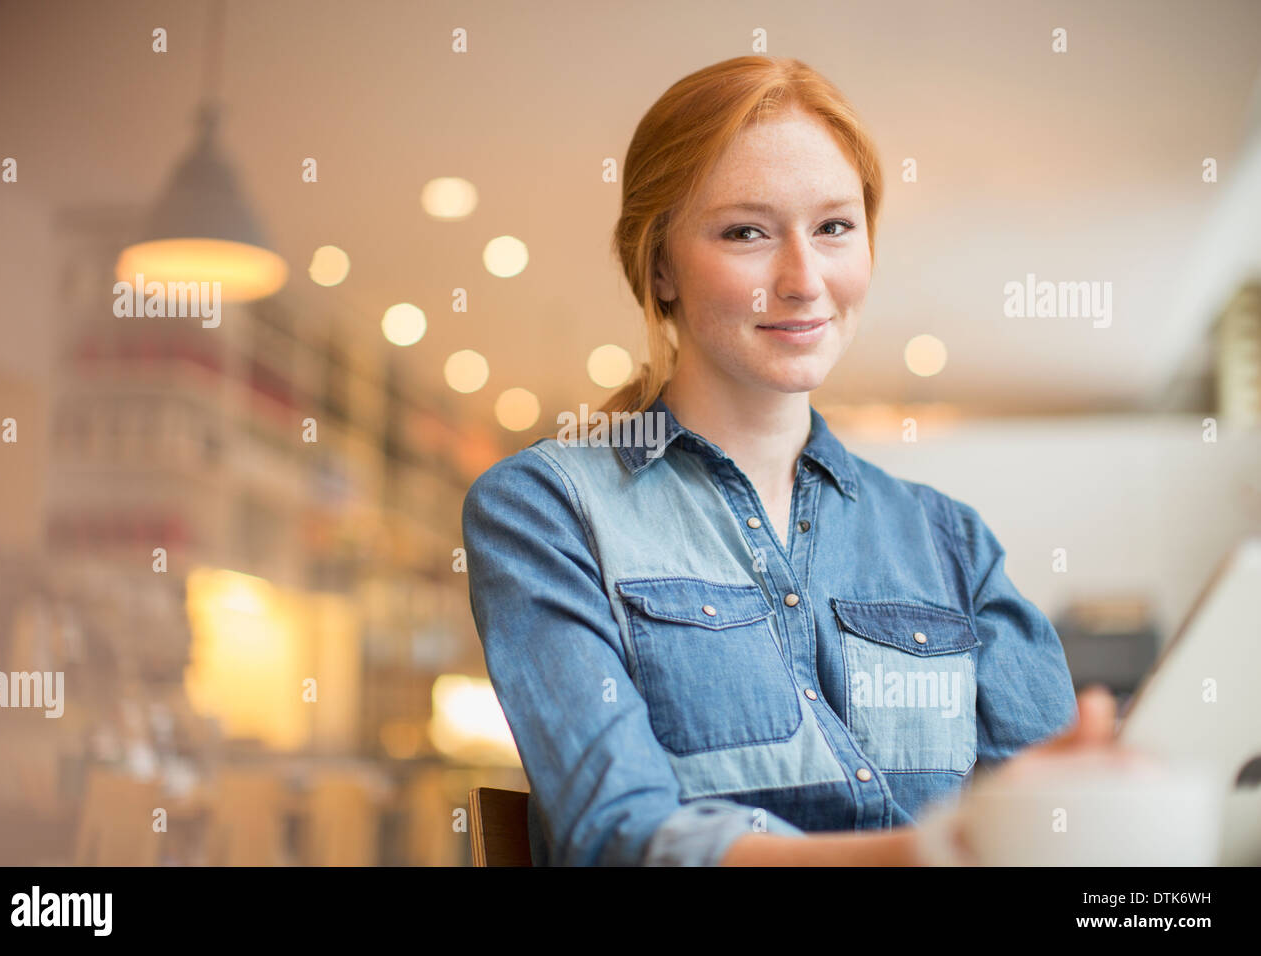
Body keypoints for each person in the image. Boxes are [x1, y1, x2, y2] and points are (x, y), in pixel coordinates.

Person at [461, 55, 1120, 866]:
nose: (803, 281)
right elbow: (618, 840)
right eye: (747, 232)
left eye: (834, 228)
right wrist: (923, 855)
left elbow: (1059, 840)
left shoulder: (950, 541)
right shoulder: (545, 508)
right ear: (659, 265)